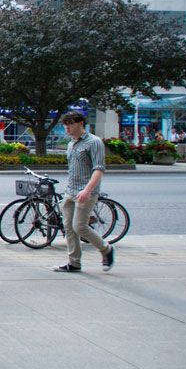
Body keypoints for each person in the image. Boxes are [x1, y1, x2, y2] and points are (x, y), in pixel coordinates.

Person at [53, 111, 115, 273]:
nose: (67, 128)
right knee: (68, 228)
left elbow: (99, 169)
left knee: (79, 226)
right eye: (65, 125)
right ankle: (74, 263)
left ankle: (106, 249)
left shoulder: (94, 142)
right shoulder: (71, 143)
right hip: (70, 191)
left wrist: (87, 190)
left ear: (80, 123)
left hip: (86, 192)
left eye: (70, 124)